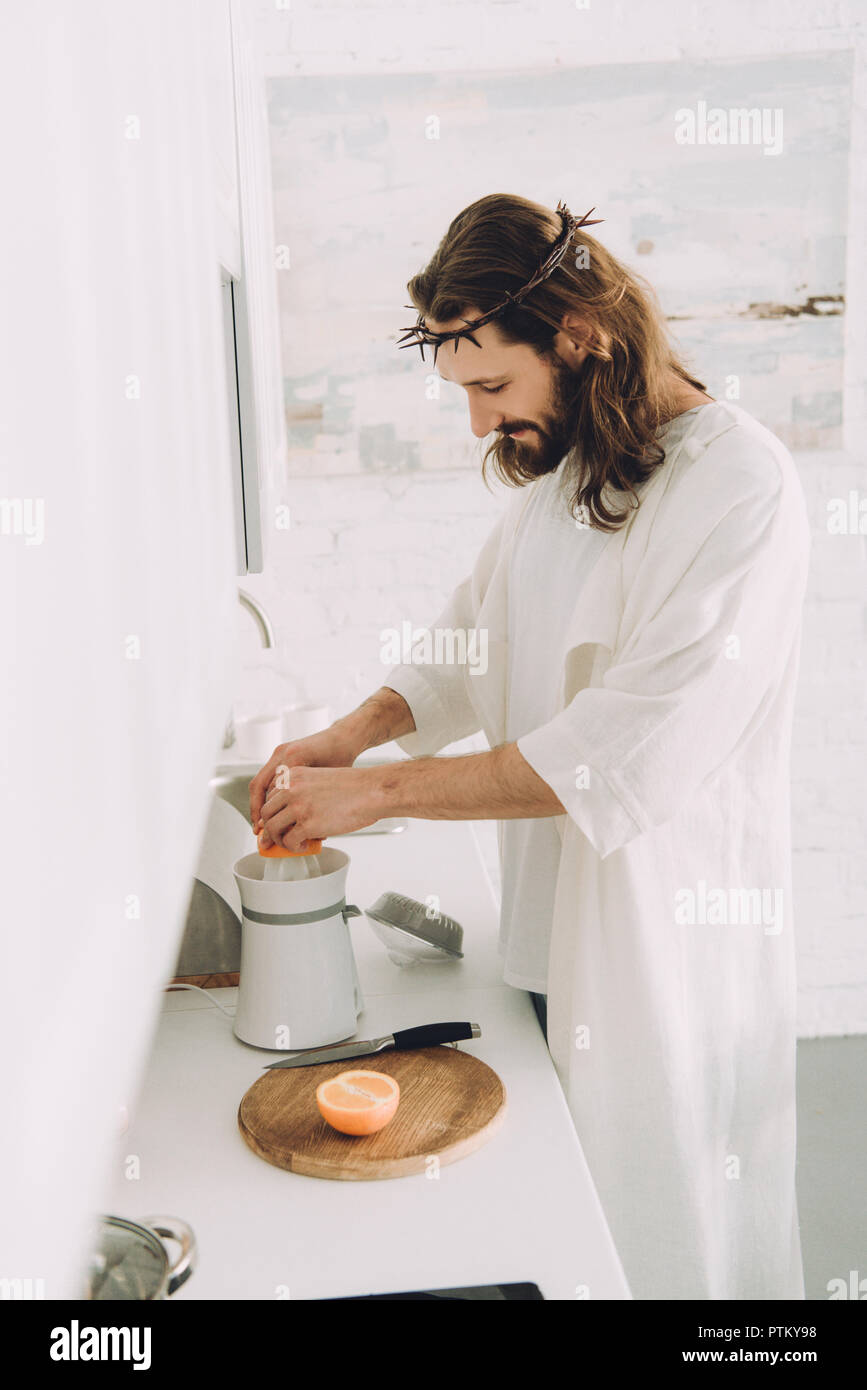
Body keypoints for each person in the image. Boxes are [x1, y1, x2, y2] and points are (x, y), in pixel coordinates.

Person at [249, 194, 810, 1300]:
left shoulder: (740, 489)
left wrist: (370, 798)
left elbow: (618, 757)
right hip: (556, 935)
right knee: (578, 1230)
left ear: (583, 335)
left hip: (666, 948)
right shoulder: (575, 465)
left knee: (675, 1237)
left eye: (491, 388)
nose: (476, 425)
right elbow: (469, 640)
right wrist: (347, 738)